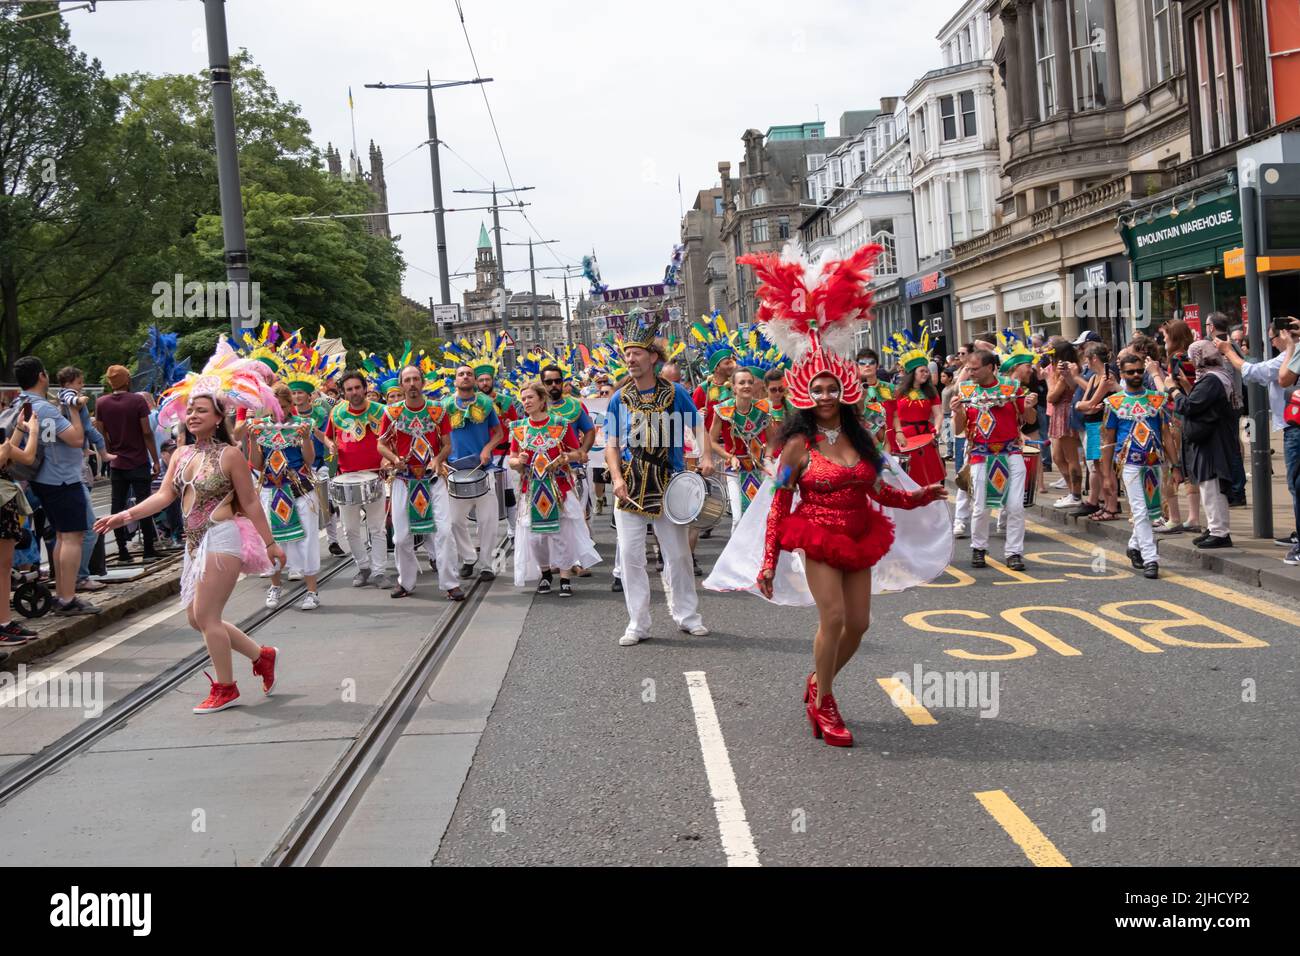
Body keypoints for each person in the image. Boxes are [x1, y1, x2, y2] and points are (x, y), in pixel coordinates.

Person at [706, 242, 948, 748]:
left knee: (858, 625)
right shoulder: (796, 445)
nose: (824, 396)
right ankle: (825, 702)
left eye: (830, 388)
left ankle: (818, 681)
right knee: (833, 617)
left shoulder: (862, 440)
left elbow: (882, 492)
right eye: (815, 390)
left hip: (860, 531)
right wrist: (768, 563)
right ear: (802, 394)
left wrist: (924, 496)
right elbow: (779, 505)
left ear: (843, 389)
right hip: (817, 534)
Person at [94, 343, 286, 714]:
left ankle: (227, 687)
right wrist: (124, 515)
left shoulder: (230, 455)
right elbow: (165, 496)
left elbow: (249, 503)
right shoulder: (181, 454)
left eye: (201, 411)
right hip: (194, 543)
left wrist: (270, 543)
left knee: (208, 617)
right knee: (196, 617)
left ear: (219, 417)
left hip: (222, 538)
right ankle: (261, 656)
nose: (193, 416)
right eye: (190, 411)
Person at [604, 313, 713, 646]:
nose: (631, 359)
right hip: (631, 485)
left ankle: (687, 616)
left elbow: (698, 426)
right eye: (627, 354)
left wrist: (706, 455)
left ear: (652, 357)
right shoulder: (618, 398)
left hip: (669, 483)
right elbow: (611, 446)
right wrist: (616, 479)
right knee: (631, 557)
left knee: (678, 554)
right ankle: (638, 623)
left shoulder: (675, 392)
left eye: (637, 353)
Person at [12, 357, 96, 616]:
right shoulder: (45, 409)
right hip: (62, 478)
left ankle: (64, 593)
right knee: (72, 536)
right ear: (41, 376)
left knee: (62, 536)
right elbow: (75, 439)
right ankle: (67, 598)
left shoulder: (22, 403)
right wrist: (72, 408)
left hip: (45, 478)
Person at [1216, 319, 1299, 561]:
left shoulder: (1291, 353)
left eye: (1273, 339)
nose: (1273, 344)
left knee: (1296, 486)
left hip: (1295, 426)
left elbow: (1278, 377)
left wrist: (1229, 351)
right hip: (1291, 425)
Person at [509, 380, 600, 596]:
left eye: (530, 397)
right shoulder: (520, 428)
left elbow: (578, 453)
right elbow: (511, 459)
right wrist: (518, 461)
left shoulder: (560, 424)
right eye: (523, 399)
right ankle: (545, 573)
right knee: (535, 537)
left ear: (542, 400)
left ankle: (565, 577)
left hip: (558, 487)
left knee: (561, 534)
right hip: (531, 489)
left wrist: (567, 457)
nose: (526, 402)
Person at [952, 349, 1038, 570]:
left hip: (1011, 453)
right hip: (980, 454)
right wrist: (958, 412)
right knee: (980, 507)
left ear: (990, 368)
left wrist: (1029, 407)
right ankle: (979, 548)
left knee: (1015, 507)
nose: (969, 372)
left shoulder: (1012, 388)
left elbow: (1029, 419)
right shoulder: (965, 389)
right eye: (968, 368)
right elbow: (959, 428)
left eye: (974, 368)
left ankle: (1014, 553)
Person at [377, 365, 456, 599]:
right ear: (401, 385)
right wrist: (394, 459)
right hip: (403, 481)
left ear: (423, 382)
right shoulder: (391, 413)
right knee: (401, 537)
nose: (412, 384)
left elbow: (447, 444)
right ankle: (406, 582)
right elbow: (381, 444)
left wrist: (437, 458)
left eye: (415, 379)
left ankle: (450, 583)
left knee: (444, 531)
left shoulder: (437, 410)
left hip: (433, 479)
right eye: (407, 380)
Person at [248, 383, 321, 610]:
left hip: (299, 489)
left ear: (291, 405)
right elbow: (257, 464)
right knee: (270, 539)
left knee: (307, 539)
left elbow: (309, 460)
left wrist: (307, 438)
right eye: (274, 406)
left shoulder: (302, 425)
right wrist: (251, 440)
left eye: (283, 405)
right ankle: (275, 585)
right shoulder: (261, 427)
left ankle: (311, 591)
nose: (279, 410)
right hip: (272, 489)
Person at [1102, 354, 1173, 579]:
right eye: (1130, 372)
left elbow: (1167, 435)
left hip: (1154, 463)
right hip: (1129, 464)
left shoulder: (1156, 399)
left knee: (1152, 513)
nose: (1135, 375)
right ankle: (1151, 559)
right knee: (1140, 511)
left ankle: (1134, 546)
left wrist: (1176, 464)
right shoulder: (1114, 402)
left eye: (1139, 371)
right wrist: (1107, 475)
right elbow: (1108, 440)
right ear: (1122, 374)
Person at [323, 371, 391, 589]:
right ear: (344, 392)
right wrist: (330, 445)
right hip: (346, 478)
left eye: (357, 388)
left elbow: (393, 439)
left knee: (377, 527)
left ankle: (380, 571)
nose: (354, 392)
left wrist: (386, 460)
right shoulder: (337, 412)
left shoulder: (382, 412)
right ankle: (363, 567)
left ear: (365, 388)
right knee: (350, 529)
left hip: (374, 476)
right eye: (349, 389)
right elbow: (328, 435)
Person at [442, 364, 504, 587]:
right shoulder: (444, 406)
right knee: (454, 521)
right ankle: (469, 557)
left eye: (469, 374)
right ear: (455, 380)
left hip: (483, 470)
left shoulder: (486, 404)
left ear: (475, 380)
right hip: (455, 472)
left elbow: (499, 433)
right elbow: (437, 436)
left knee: (488, 521)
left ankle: (486, 564)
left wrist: (488, 448)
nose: (465, 377)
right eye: (461, 374)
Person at [1174, 339, 1238, 549]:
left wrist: (1172, 391)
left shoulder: (1211, 380)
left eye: (1193, 357)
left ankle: (1220, 532)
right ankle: (1214, 527)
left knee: (1211, 484)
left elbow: (1191, 406)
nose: (1191, 362)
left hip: (1213, 439)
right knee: (1207, 483)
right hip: (1213, 437)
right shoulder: (1215, 376)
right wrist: (1185, 385)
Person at [95, 365, 163, 565]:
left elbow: (101, 432)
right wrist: (155, 459)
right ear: (127, 380)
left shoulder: (101, 403)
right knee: (144, 505)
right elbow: (146, 432)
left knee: (117, 504)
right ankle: (149, 549)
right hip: (138, 460)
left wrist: (109, 453)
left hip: (116, 462)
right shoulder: (137, 400)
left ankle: (122, 550)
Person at [1148, 320, 1202, 534]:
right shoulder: (1191, 357)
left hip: (1174, 417)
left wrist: (1154, 373)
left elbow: (1166, 393)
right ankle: (1194, 518)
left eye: (1166, 336)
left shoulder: (1176, 359)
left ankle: (1175, 518)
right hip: (1188, 417)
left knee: (1172, 466)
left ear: (1175, 337)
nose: (1163, 340)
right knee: (1188, 469)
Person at [710, 367, 774, 530]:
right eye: (741, 382)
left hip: (759, 469)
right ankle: (736, 555)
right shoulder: (723, 410)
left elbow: (773, 440)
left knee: (762, 518)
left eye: (749, 382)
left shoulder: (763, 408)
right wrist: (729, 457)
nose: (746, 386)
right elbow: (711, 441)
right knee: (738, 518)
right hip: (735, 469)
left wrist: (767, 459)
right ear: (733, 387)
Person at [0, 405, 41, 645]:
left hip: (5, 503)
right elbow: (25, 457)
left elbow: (7, 453)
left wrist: (17, 429)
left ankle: (5, 622)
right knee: (2, 568)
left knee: (4, 567)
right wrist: (33, 432)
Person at [1074, 343, 1121, 521]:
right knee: (1098, 466)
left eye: (1087, 359)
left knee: (1106, 467)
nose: (1086, 363)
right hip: (1091, 425)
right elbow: (1084, 404)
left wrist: (1086, 407)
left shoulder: (1107, 377)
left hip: (1104, 426)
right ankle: (1106, 504)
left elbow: (1092, 402)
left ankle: (1112, 506)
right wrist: (1086, 407)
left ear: (1094, 358)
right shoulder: (1094, 378)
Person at [890, 354, 944, 487]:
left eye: (927, 371)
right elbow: (892, 415)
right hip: (904, 438)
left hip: (926, 436)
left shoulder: (931, 393)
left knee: (931, 480)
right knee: (908, 480)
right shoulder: (897, 393)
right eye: (922, 371)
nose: (926, 374)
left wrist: (937, 428)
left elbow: (938, 414)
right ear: (913, 373)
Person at [1045, 338, 1084, 510]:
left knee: (1071, 457)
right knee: (1058, 457)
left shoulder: (1067, 372)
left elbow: (1051, 397)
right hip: (1061, 413)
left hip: (1066, 412)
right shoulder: (1068, 370)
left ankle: (1076, 494)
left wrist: (1050, 380)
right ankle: (1072, 492)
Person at [855, 348, 894, 448]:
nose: (867, 365)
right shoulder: (851, 392)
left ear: (877, 365)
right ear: (857, 366)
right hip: (863, 442)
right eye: (862, 363)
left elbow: (895, 413)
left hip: (888, 438)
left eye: (871, 362)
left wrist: (899, 432)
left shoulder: (889, 387)